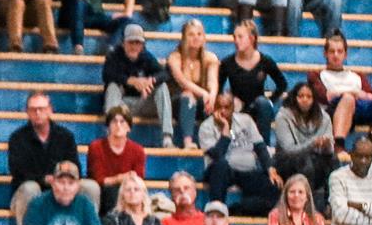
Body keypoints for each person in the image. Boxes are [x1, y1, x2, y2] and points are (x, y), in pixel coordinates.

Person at [9, 92, 97, 225]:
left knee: (90, 187)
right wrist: (45, 179)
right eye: (33, 109)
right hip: (34, 188)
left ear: (50, 110)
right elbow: (19, 172)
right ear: (27, 112)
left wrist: (63, 179)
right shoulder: (17, 138)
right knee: (29, 188)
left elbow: (75, 167)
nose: (38, 113)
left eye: (41, 109)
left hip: (63, 185)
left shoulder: (65, 136)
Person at [310, 32, 372, 147]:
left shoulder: (357, 75)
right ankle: (339, 146)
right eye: (332, 51)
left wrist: (357, 94)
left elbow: (371, 97)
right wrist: (352, 93)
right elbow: (325, 96)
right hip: (337, 109)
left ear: (346, 54)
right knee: (348, 99)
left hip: (362, 108)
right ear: (325, 54)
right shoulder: (316, 74)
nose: (336, 55)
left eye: (340, 51)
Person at [199, 92, 278, 214]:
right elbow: (217, 155)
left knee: (272, 185)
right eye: (219, 107)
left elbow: (260, 146)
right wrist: (225, 130)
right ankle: (216, 210)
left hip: (246, 171)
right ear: (214, 108)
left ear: (233, 108)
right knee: (221, 165)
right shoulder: (206, 127)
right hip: (220, 172)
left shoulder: (246, 120)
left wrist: (270, 168)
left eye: (227, 107)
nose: (223, 111)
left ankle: (239, 209)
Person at [102, 25, 175, 142]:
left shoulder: (146, 57)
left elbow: (165, 74)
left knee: (162, 87)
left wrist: (150, 81)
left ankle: (167, 137)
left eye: (138, 43)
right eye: (131, 42)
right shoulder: (114, 56)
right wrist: (131, 81)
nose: (134, 46)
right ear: (123, 43)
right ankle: (112, 133)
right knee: (113, 87)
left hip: (142, 102)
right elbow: (107, 75)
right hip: (121, 105)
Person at [166, 20, 222, 150]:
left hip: (202, 103)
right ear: (184, 38)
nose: (196, 37)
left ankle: (215, 143)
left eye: (199, 34)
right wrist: (203, 93)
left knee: (217, 101)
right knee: (188, 94)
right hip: (178, 103)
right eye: (191, 34)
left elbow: (212, 81)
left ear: (204, 37)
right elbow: (182, 81)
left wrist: (212, 96)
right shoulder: (175, 57)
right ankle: (188, 142)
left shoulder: (210, 58)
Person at [273, 81, 338, 186]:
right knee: (306, 162)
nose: (305, 100)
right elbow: (288, 149)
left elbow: (330, 150)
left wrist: (326, 145)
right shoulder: (283, 116)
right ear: (294, 98)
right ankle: (308, 199)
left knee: (334, 160)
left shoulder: (324, 117)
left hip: (316, 157)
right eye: (301, 96)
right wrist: (312, 143)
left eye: (309, 97)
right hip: (288, 160)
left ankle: (330, 199)